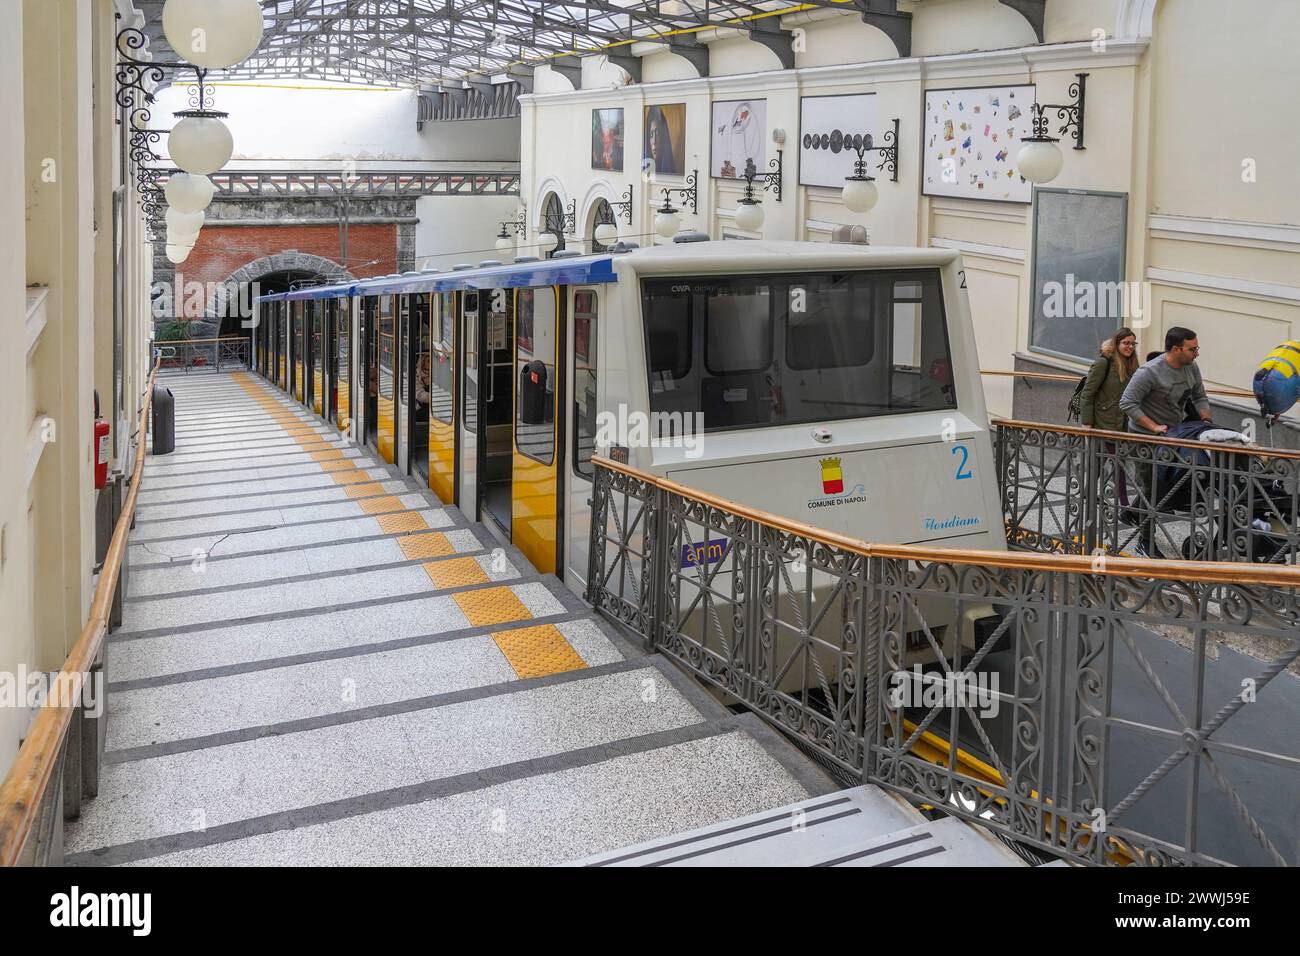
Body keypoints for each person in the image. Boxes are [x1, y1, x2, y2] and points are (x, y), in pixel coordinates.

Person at [1080, 328, 1138, 506]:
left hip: (1120, 421)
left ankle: (1087, 493)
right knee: (1118, 461)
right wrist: (1087, 423)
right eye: (1126, 343)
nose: (1130, 347)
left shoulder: (1132, 364)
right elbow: (1087, 393)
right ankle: (1124, 504)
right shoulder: (1103, 363)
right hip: (1101, 422)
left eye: (1132, 343)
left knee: (1099, 460)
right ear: (1117, 343)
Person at [1120, 327, 1213, 436]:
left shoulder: (1192, 366)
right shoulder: (1148, 372)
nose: (1197, 354)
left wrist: (1206, 420)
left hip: (1174, 433)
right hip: (1144, 439)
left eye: (1197, 349)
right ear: (1176, 350)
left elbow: (1199, 396)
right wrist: (1154, 427)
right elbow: (1127, 403)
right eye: (1192, 350)